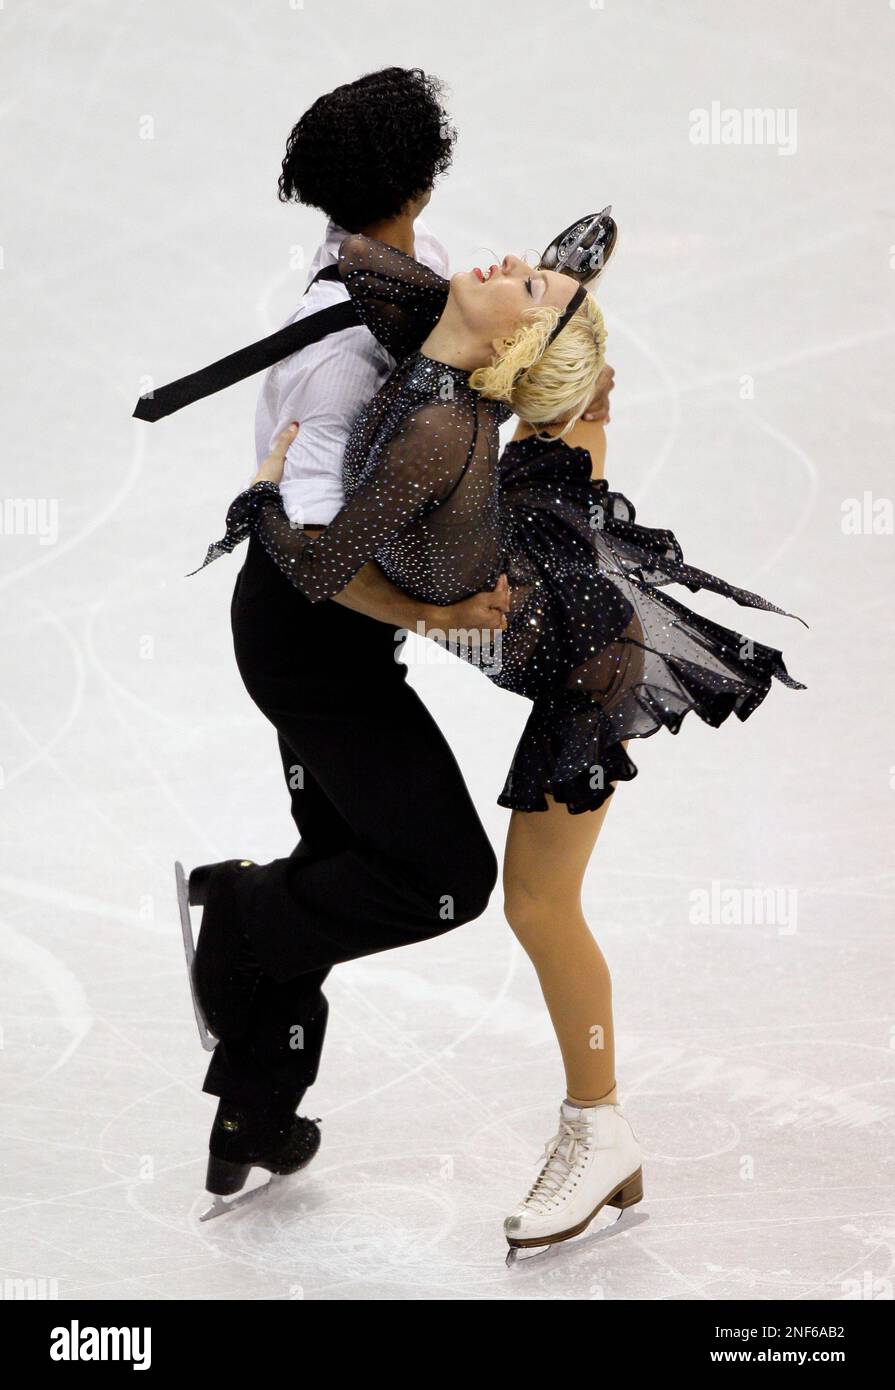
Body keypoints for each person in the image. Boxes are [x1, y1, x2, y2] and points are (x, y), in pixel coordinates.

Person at [196, 233, 805, 1250]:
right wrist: (561, 285)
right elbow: (536, 361)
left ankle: (598, 1131)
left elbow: (328, 566)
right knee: (577, 419)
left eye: (530, 284)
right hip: (558, 569)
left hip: (583, 674)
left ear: (512, 354)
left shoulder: (450, 475)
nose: (508, 260)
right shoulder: (507, 426)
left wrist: (264, 494)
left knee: (536, 904)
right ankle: (269, 1036)